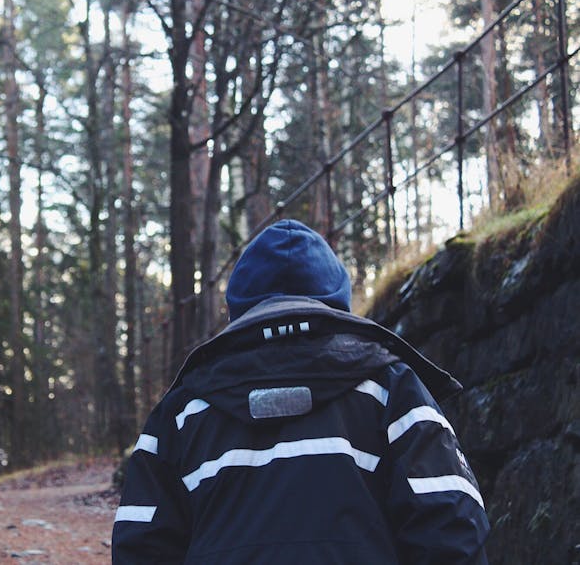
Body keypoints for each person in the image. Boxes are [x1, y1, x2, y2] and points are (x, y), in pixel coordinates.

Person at [112, 219, 489, 563]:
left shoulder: (183, 410)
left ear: (238, 308)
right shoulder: (392, 388)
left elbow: (141, 543)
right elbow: (451, 526)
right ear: (338, 304)